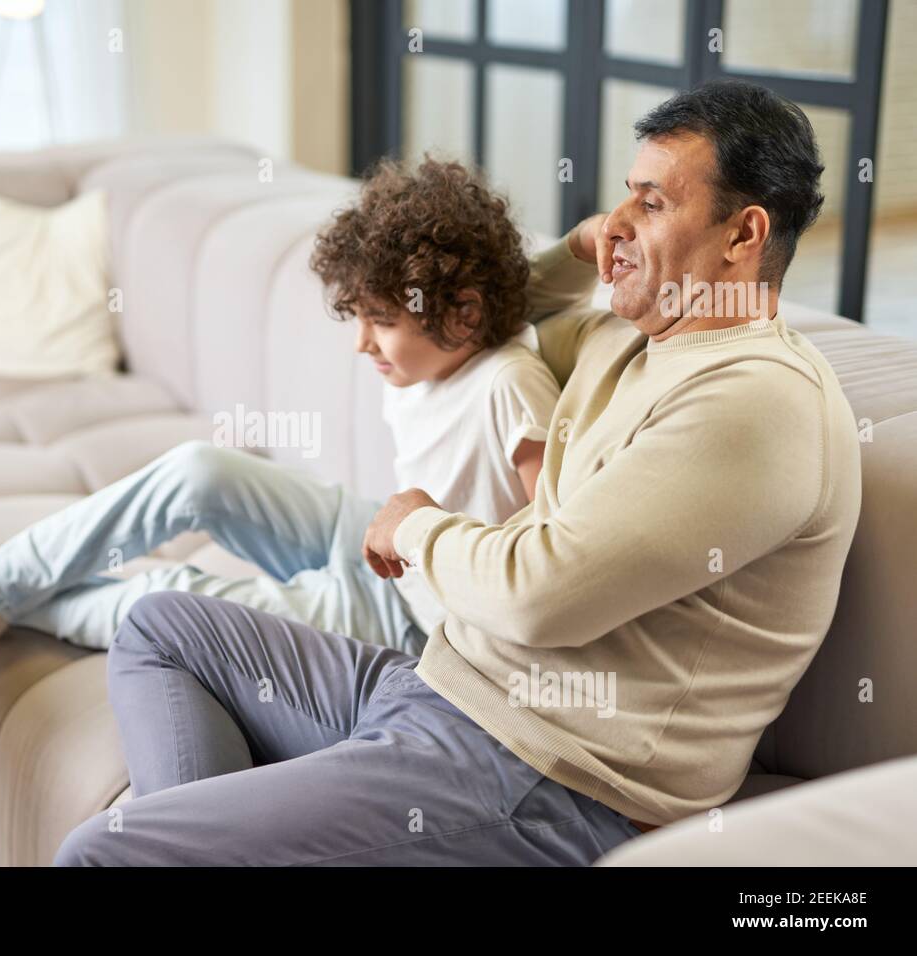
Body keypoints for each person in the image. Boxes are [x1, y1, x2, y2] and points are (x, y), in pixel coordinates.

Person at [54, 80, 863, 866]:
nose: (619, 220)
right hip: (442, 686)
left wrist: (414, 524)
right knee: (161, 628)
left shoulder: (755, 401)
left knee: (103, 854)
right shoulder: (633, 338)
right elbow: (482, 312)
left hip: (546, 779)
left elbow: (544, 594)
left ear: (742, 235)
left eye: (651, 203)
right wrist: (591, 247)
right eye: (624, 195)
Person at [0, 157, 567, 656]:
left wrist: (430, 541)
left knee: (171, 599)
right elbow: (523, 281)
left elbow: (554, 556)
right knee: (197, 471)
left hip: (417, 621)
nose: (361, 343)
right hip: (371, 539)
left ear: (464, 312)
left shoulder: (509, 385)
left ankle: (12, 606)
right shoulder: (428, 360)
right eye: (357, 317)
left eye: (380, 320)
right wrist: (584, 249)